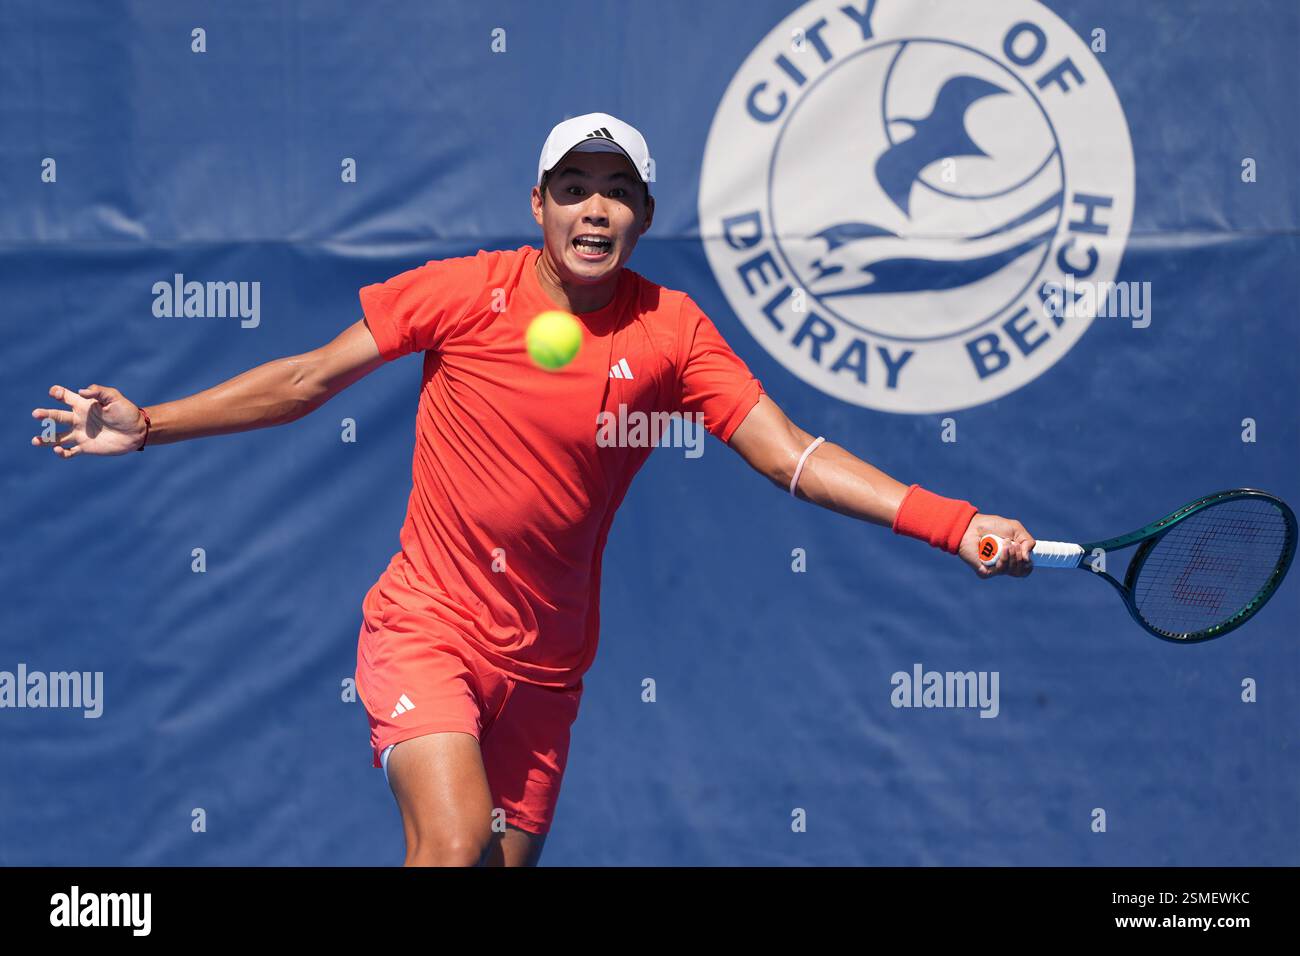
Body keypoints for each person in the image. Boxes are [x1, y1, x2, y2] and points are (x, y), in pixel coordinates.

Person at [28, 111, 1035, 867]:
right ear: (538, 204)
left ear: (642, 214)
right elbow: (302, 382)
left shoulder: (674, 332)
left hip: (548, 672)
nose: (593, 207)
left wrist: (953, 524)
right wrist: (151, 421)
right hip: (426, 629)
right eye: (572, 185)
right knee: (453, 841)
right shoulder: (460, 293)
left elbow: (792, 456)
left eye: (616, 189)